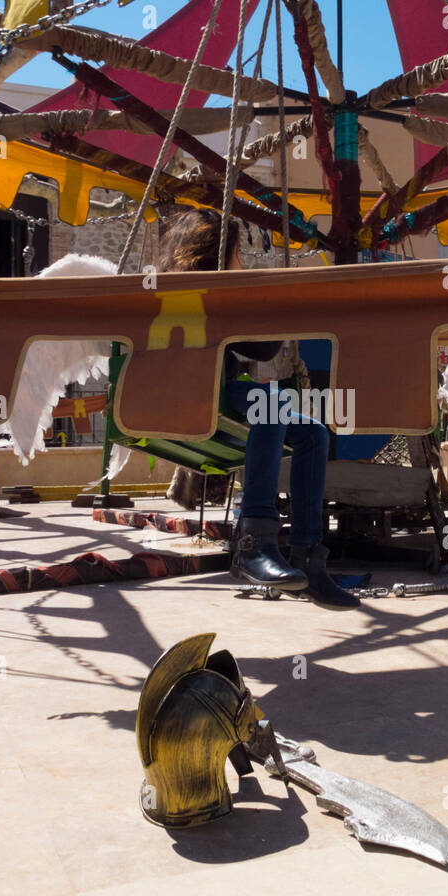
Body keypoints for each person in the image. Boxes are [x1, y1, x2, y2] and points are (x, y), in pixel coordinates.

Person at [158, 207, 359, 610]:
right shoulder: (196, 295)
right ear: (216, 254)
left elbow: (260, 348)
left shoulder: (210, 296)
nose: (242, 263)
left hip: (213, 390)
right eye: (238, 254)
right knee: (273, 403)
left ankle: (307, 557)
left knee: (313, 433)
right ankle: (253, 543)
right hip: (194, 393)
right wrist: (273, 304)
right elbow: (260, 349)